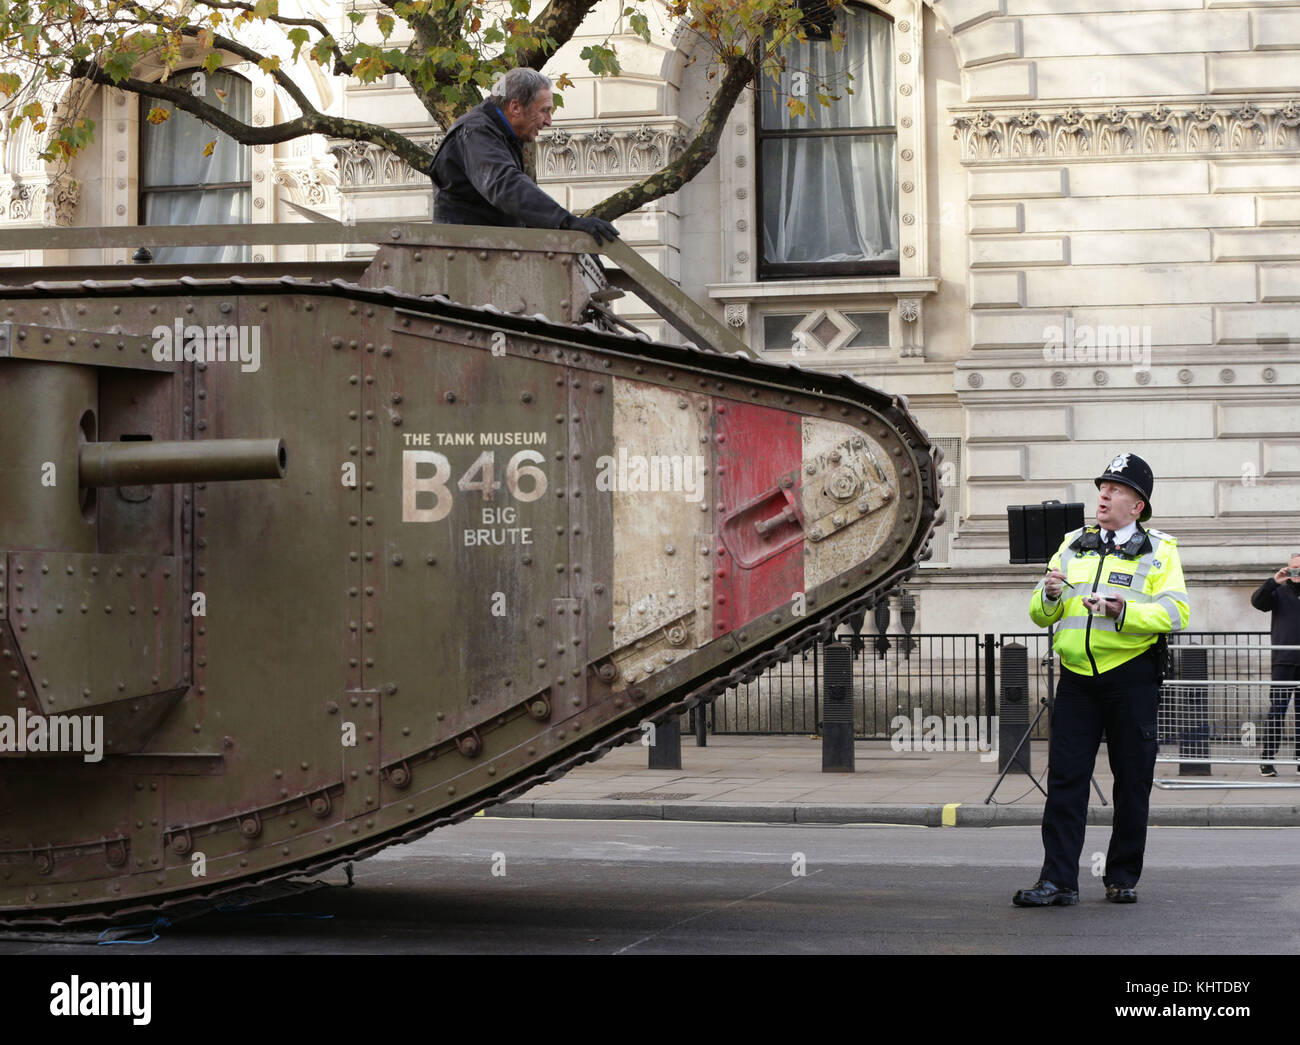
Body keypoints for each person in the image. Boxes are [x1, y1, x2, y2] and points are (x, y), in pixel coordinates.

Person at [1013, 452, 1190, 907]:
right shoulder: (1072, 543)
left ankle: (1122, 876)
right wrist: (1049, 595)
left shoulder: (1161, 550)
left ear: (1138, 506)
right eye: (1103, 488)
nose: (1104, 495)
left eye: (1116, 489)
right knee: (1066, 781)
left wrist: (1122, 610)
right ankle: (1058, 882)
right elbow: (1038, 612)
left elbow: (1176, 613)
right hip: (1075, 679)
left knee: (1132, 781)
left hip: (1130, 678)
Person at [428, 67, 619, 243]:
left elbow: (513, 204)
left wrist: (568, 238)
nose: (549, 122)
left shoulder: (495, 132)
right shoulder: (476, 131)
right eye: (544, 111)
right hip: (467, 257)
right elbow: (505, 184)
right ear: (515, 107)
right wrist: (565, 221)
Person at [1250, 553, 1300, 776]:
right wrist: (1273, 581)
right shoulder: (1279, 591)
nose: (1296, 572)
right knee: (1277, 712)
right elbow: (1257, 602)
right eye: (1294, 568)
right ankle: (1267, 759)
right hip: (1284, 661)